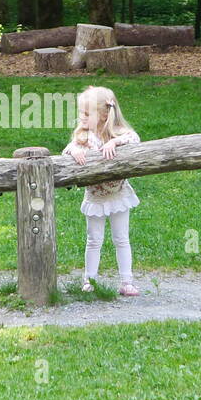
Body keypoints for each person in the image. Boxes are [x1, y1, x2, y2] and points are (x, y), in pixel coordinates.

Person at [62, 86, 142, 296]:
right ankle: (89, 280)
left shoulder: (117, 134)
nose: (82, 117)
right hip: (95, 197)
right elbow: (66, 150)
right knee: (94, 239)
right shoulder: (84, 137)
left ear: (105, 114)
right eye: (81, 113)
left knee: (121, 238)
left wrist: (115, 141)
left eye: (87, 114)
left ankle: (127, 281)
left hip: (118, 195)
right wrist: (75, 150)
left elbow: (135, 138)